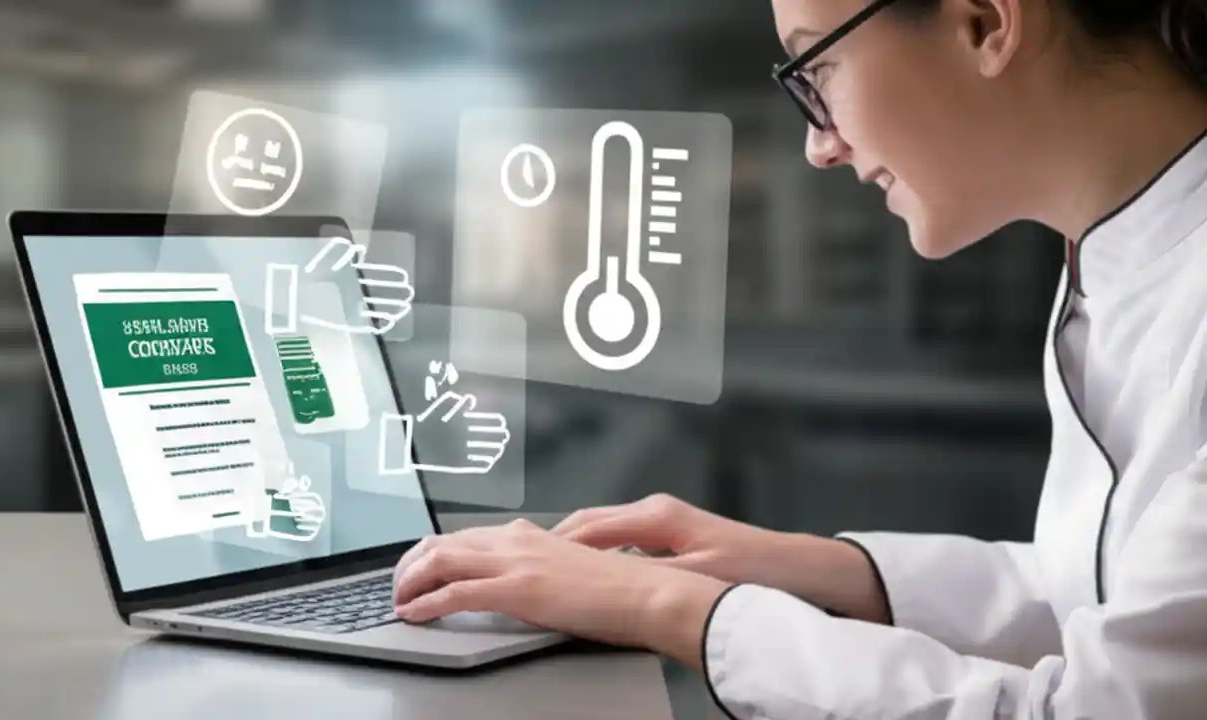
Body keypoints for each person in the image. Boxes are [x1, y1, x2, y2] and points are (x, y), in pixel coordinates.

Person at [392, 0, 1207, 716]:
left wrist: (671, 608)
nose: (820, 145)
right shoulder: (1127, 265)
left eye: (820, 65)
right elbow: (1112, 598)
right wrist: (817, 569)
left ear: (984, 22)